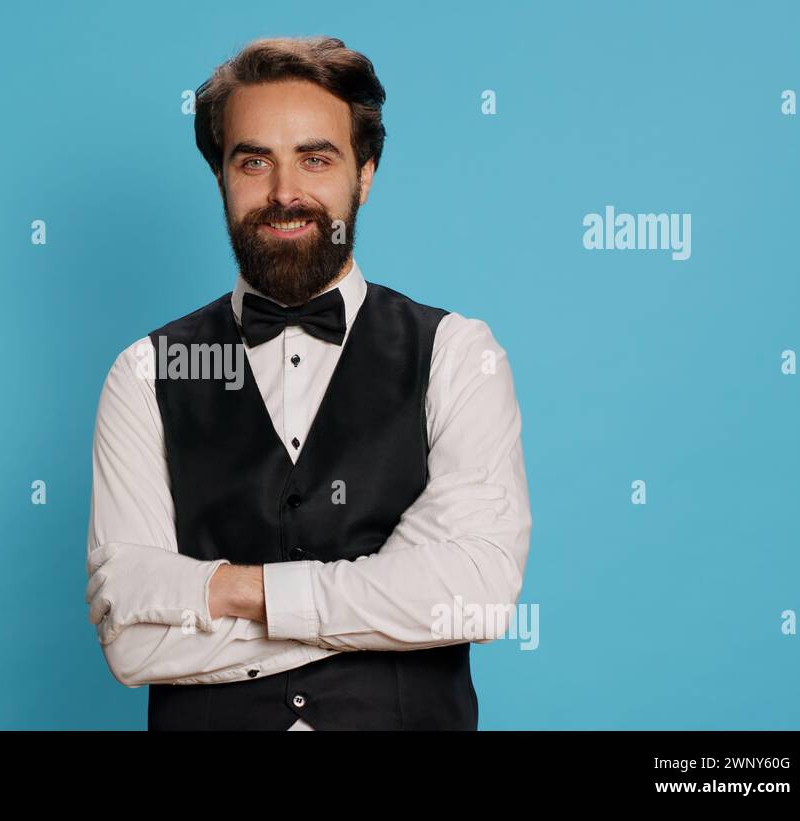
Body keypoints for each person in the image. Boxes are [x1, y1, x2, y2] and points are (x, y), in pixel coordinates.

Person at [86, 35, 532, 730]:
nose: (285, 193)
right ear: (221, 179)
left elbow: (474, 595)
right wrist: (381, 600)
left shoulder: (457, 354)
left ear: (366, 174)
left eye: (316, 159)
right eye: (254, 161)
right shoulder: (146, 372)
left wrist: (228, 590)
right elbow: (134, 639)